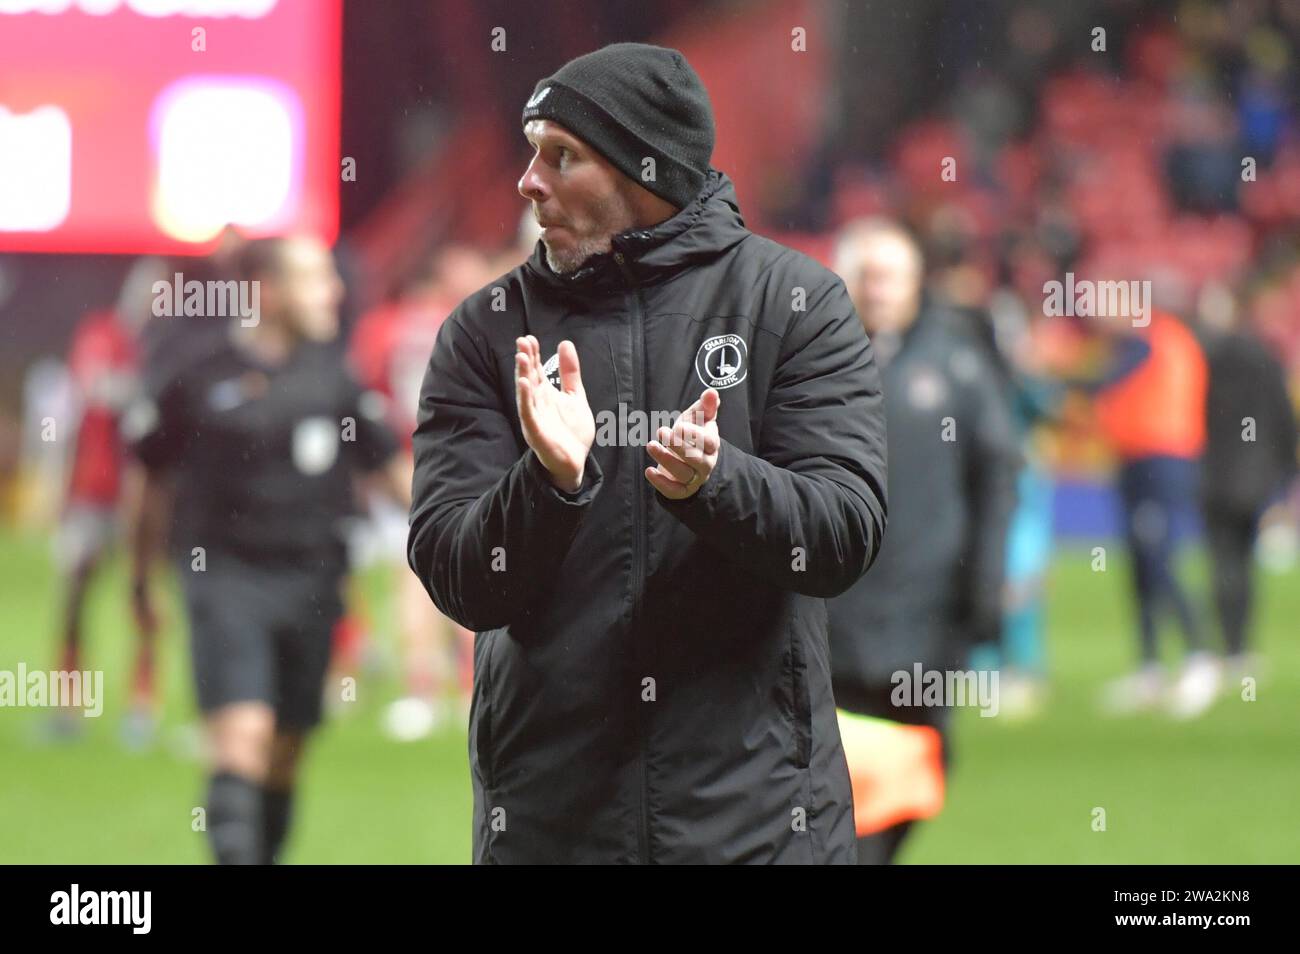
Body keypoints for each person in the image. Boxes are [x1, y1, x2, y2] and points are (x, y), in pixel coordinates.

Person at [407, 42, 888, 864]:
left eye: (563, 157)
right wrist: (547, 484)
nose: (529, 181)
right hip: (552, 828)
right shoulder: (486, 330)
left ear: (647, 174)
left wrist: (717, 483)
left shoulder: (794, 305)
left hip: (759, 825)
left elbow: (843, 536)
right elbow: (455, 575)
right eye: (532, 152)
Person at [124, 235, 406, 864]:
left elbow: (396, 476)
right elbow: (148, 475)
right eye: (315, 279)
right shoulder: (199, 375)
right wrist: (140, 579)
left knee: (283, 753)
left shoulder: (335, 381)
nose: (333, 291)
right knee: (242, 738)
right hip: (223, 576)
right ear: (270, 292)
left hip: (313, 582)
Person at [826, 218, 1019, 864]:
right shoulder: (807, 357)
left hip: (930, 614)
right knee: (832, 775)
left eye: (891, 275)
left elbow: (999, 472)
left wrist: (986, 584)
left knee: (924, 761)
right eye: (866, 275)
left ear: (916, 283)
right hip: (832, 616)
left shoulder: (959, 362)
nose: (878, 289)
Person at [50, 258, 165, 745]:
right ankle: (68, 703)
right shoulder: (100, 333)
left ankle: (142, 703)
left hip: (142, 492)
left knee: (141, 593)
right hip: (93, 489)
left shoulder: (165, 347)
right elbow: (88, 399)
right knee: (75, 590)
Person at [1088, 307, 1213, 717]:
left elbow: (1107, 380)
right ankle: (1151, 667)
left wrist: (1052, 380)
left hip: (1159, 460)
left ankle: (1198, 657)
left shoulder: (1150, 339)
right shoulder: (1170, 338)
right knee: (1142, 562)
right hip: (1145, 458)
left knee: (1157, 559)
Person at [1198, 285, 1297, 681]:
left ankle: (1225, 646)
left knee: (1222, 562)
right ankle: (1241, 650)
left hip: (1212, 473)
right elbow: (1284, 421)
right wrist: (1285, 475)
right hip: (1254, 476)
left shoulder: (1206, 358)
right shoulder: (1265, 360)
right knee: (1244, 562)